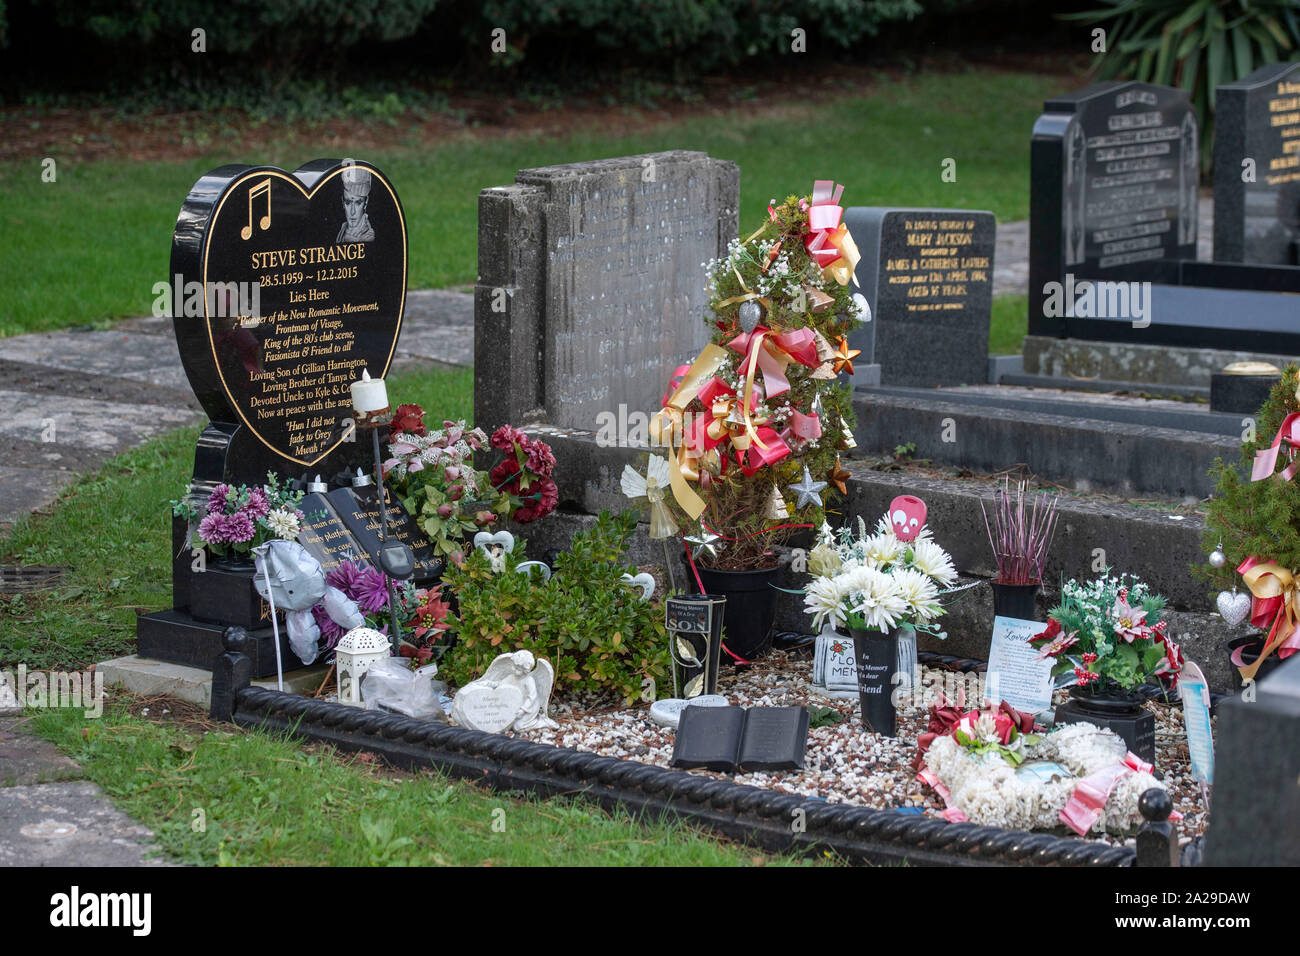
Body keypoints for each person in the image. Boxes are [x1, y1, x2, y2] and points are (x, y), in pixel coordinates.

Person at [337, 166, 376, 243]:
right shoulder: (343, 229)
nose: (352, 212)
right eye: (348, 202)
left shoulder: (368, 237)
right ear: (342, 202)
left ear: (366, 203)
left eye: (358, 203)